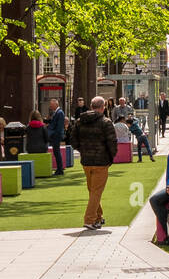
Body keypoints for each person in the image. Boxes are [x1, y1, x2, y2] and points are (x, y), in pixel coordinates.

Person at [72, 96, 117, 230]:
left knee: (93, 190)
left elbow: (73, 141)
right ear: (103, 107)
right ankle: (89, 219)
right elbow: (112, 143)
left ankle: (98, 217)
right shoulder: (105, 122)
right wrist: (111, 157)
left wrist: (83, 150)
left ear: (91, 107)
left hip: (86, 161)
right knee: (96, 191)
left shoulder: (80, 121)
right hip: (101, 161)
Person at [46, 98, 67, 176]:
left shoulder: (60, 112)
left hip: (56, 136)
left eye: (51, 105)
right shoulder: (57, 112)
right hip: (55, 135)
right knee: (56, 152)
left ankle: (60, 169)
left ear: (56, 104)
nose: (50, 107)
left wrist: (53, 134)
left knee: (57, 152)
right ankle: (59, 169)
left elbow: (59, 126)